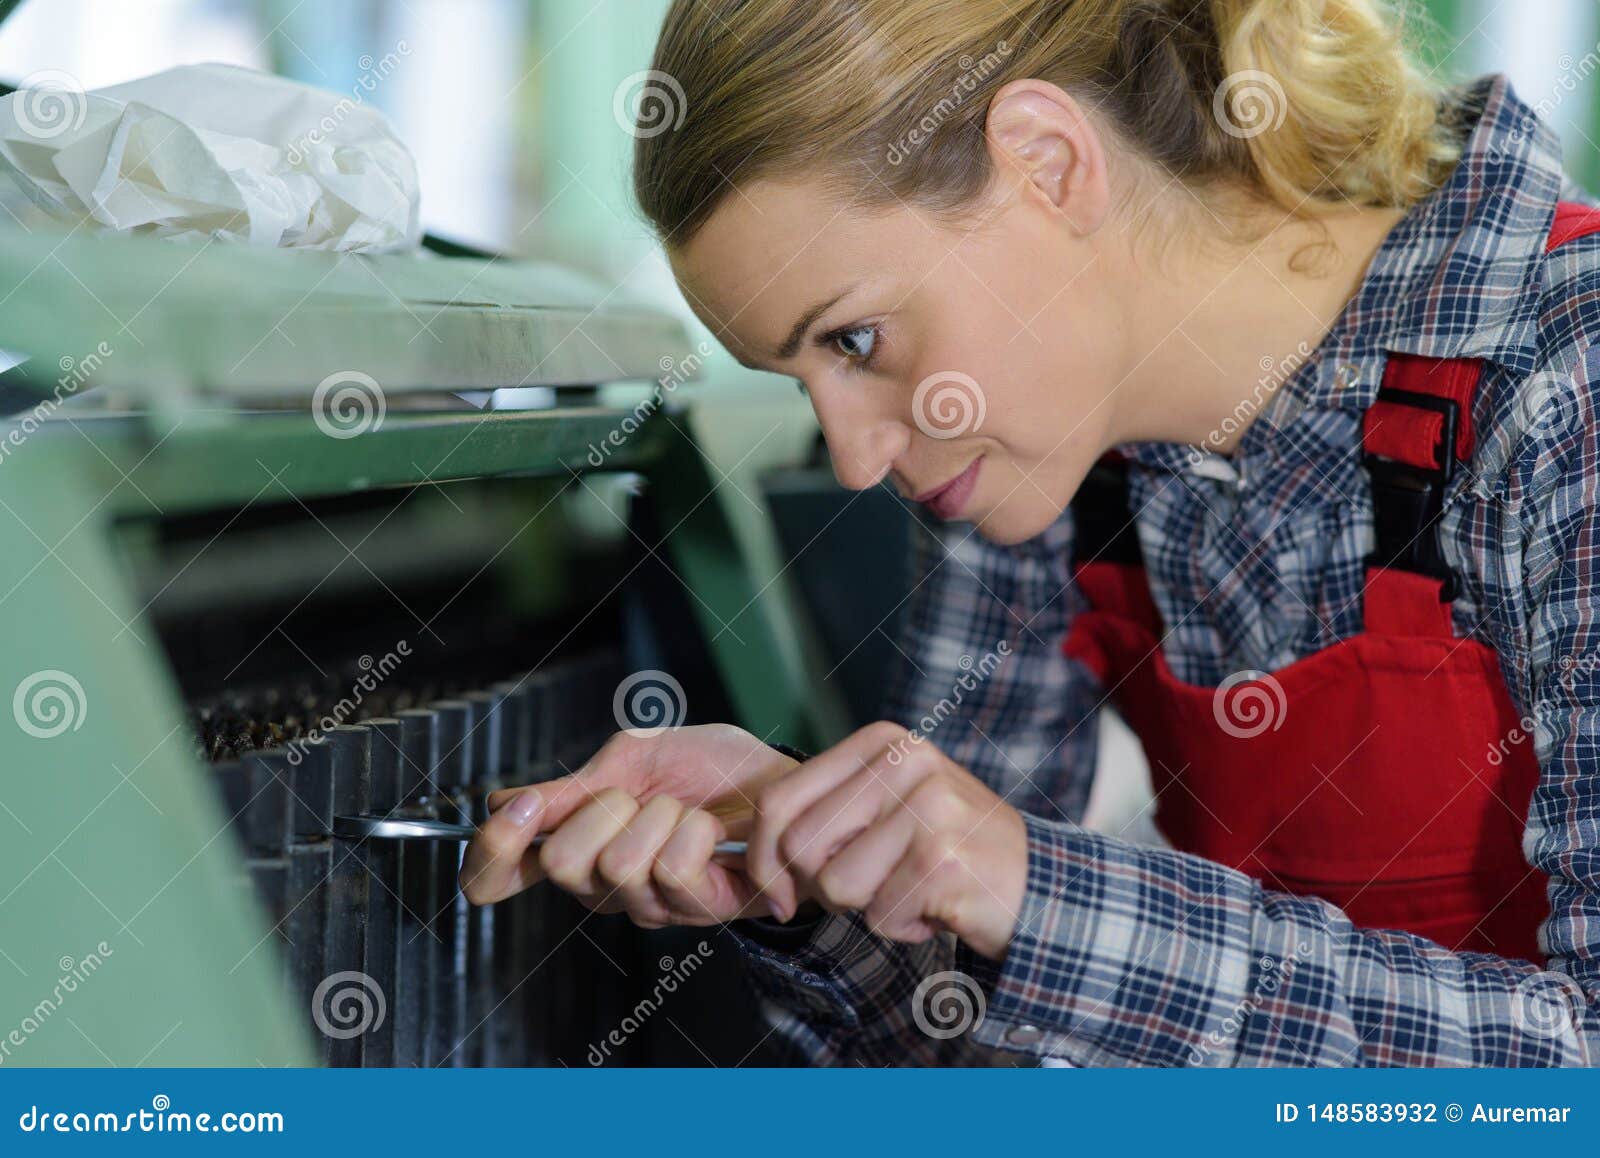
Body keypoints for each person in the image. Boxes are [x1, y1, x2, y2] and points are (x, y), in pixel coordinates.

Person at [463, 0, 1600, 1065]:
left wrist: (1039, 895)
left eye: (855, 341)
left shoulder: (1568, 383)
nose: (859, 458)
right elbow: (976, 1048)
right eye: (802, 376)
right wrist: (804, 861)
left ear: (1047, 164)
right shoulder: (1030, 453)